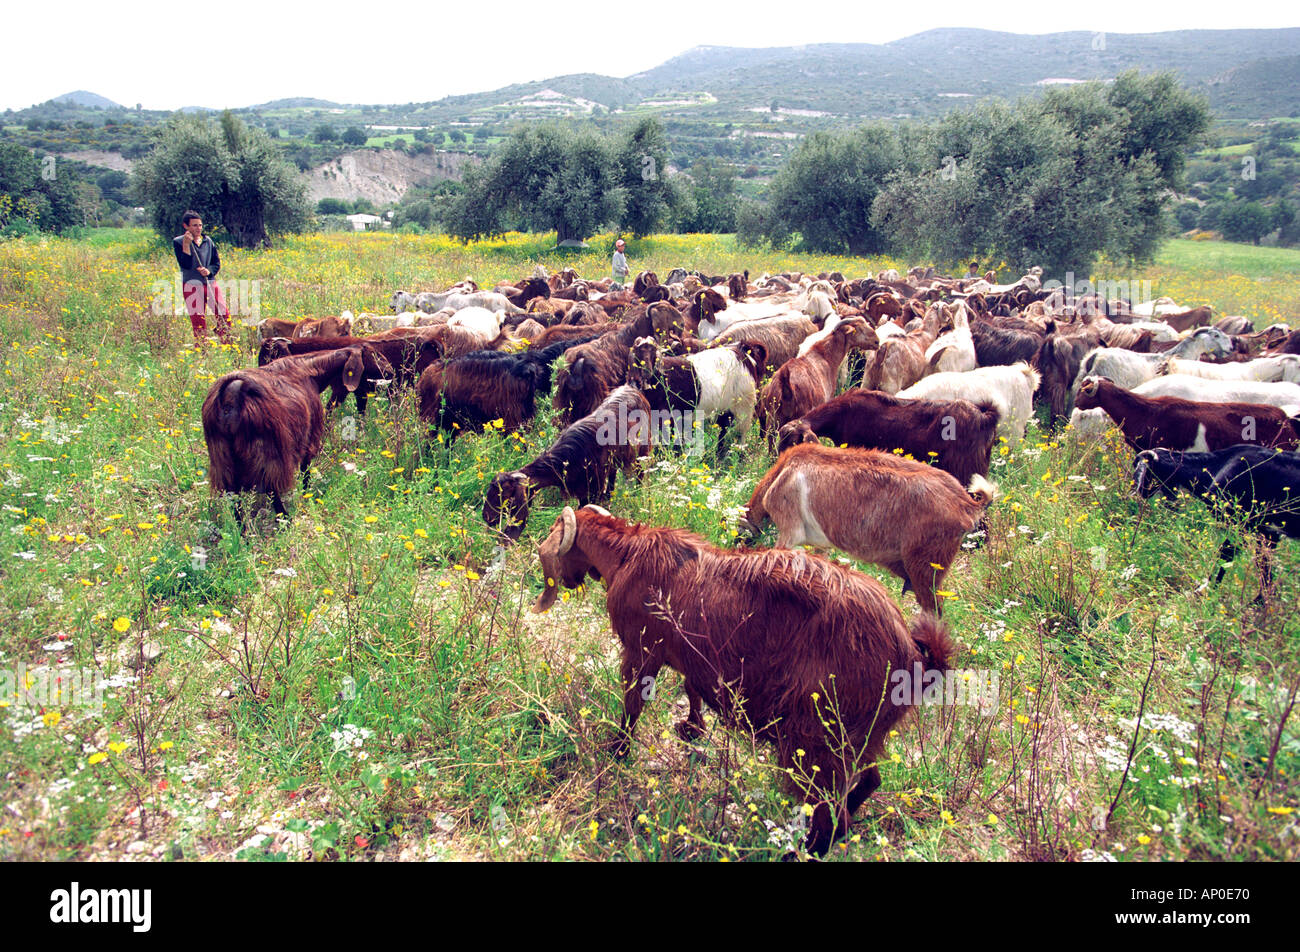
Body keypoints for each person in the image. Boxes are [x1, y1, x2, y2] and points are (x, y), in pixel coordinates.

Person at [173, 211, 233, 346]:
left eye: (200, 225)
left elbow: (216, 263)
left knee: (223, 313)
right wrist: (187, 245)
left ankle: (226, 341)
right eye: (194, 225)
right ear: (186, 226)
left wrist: (209, 271)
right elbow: (185, 264)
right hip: (191, 285)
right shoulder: (178, 242)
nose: (198, 228)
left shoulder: (208, 241)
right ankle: (202, 348)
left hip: (209, 283)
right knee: (198, 319)